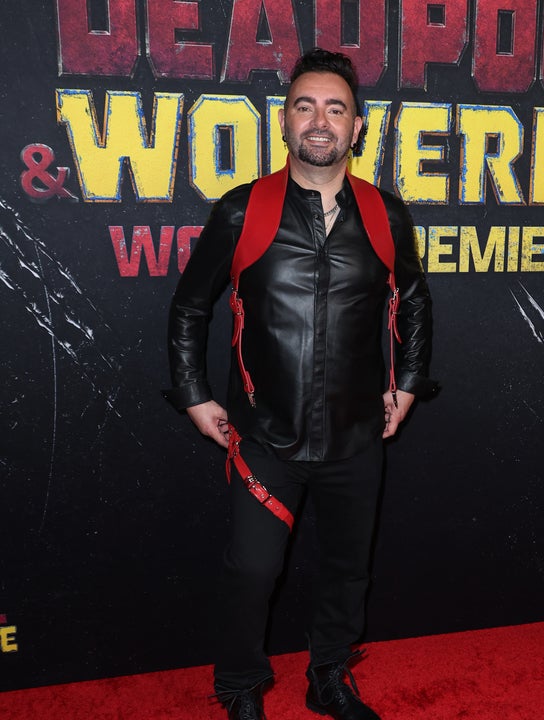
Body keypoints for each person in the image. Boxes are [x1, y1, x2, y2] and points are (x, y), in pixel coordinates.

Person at [164, 48, 437, 720]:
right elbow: (190, 307)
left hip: (356, 436)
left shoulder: (385, 213)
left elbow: (414, 301)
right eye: (305, 106)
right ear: (284, 121)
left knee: (348, 569)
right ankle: (240, 688)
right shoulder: (242, 210)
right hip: (266, 436)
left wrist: (407, 384)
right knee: (252, 571)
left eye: (335, 109)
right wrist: (194, 393)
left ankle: (328, 677)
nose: (320, 121)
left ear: (357, 127)